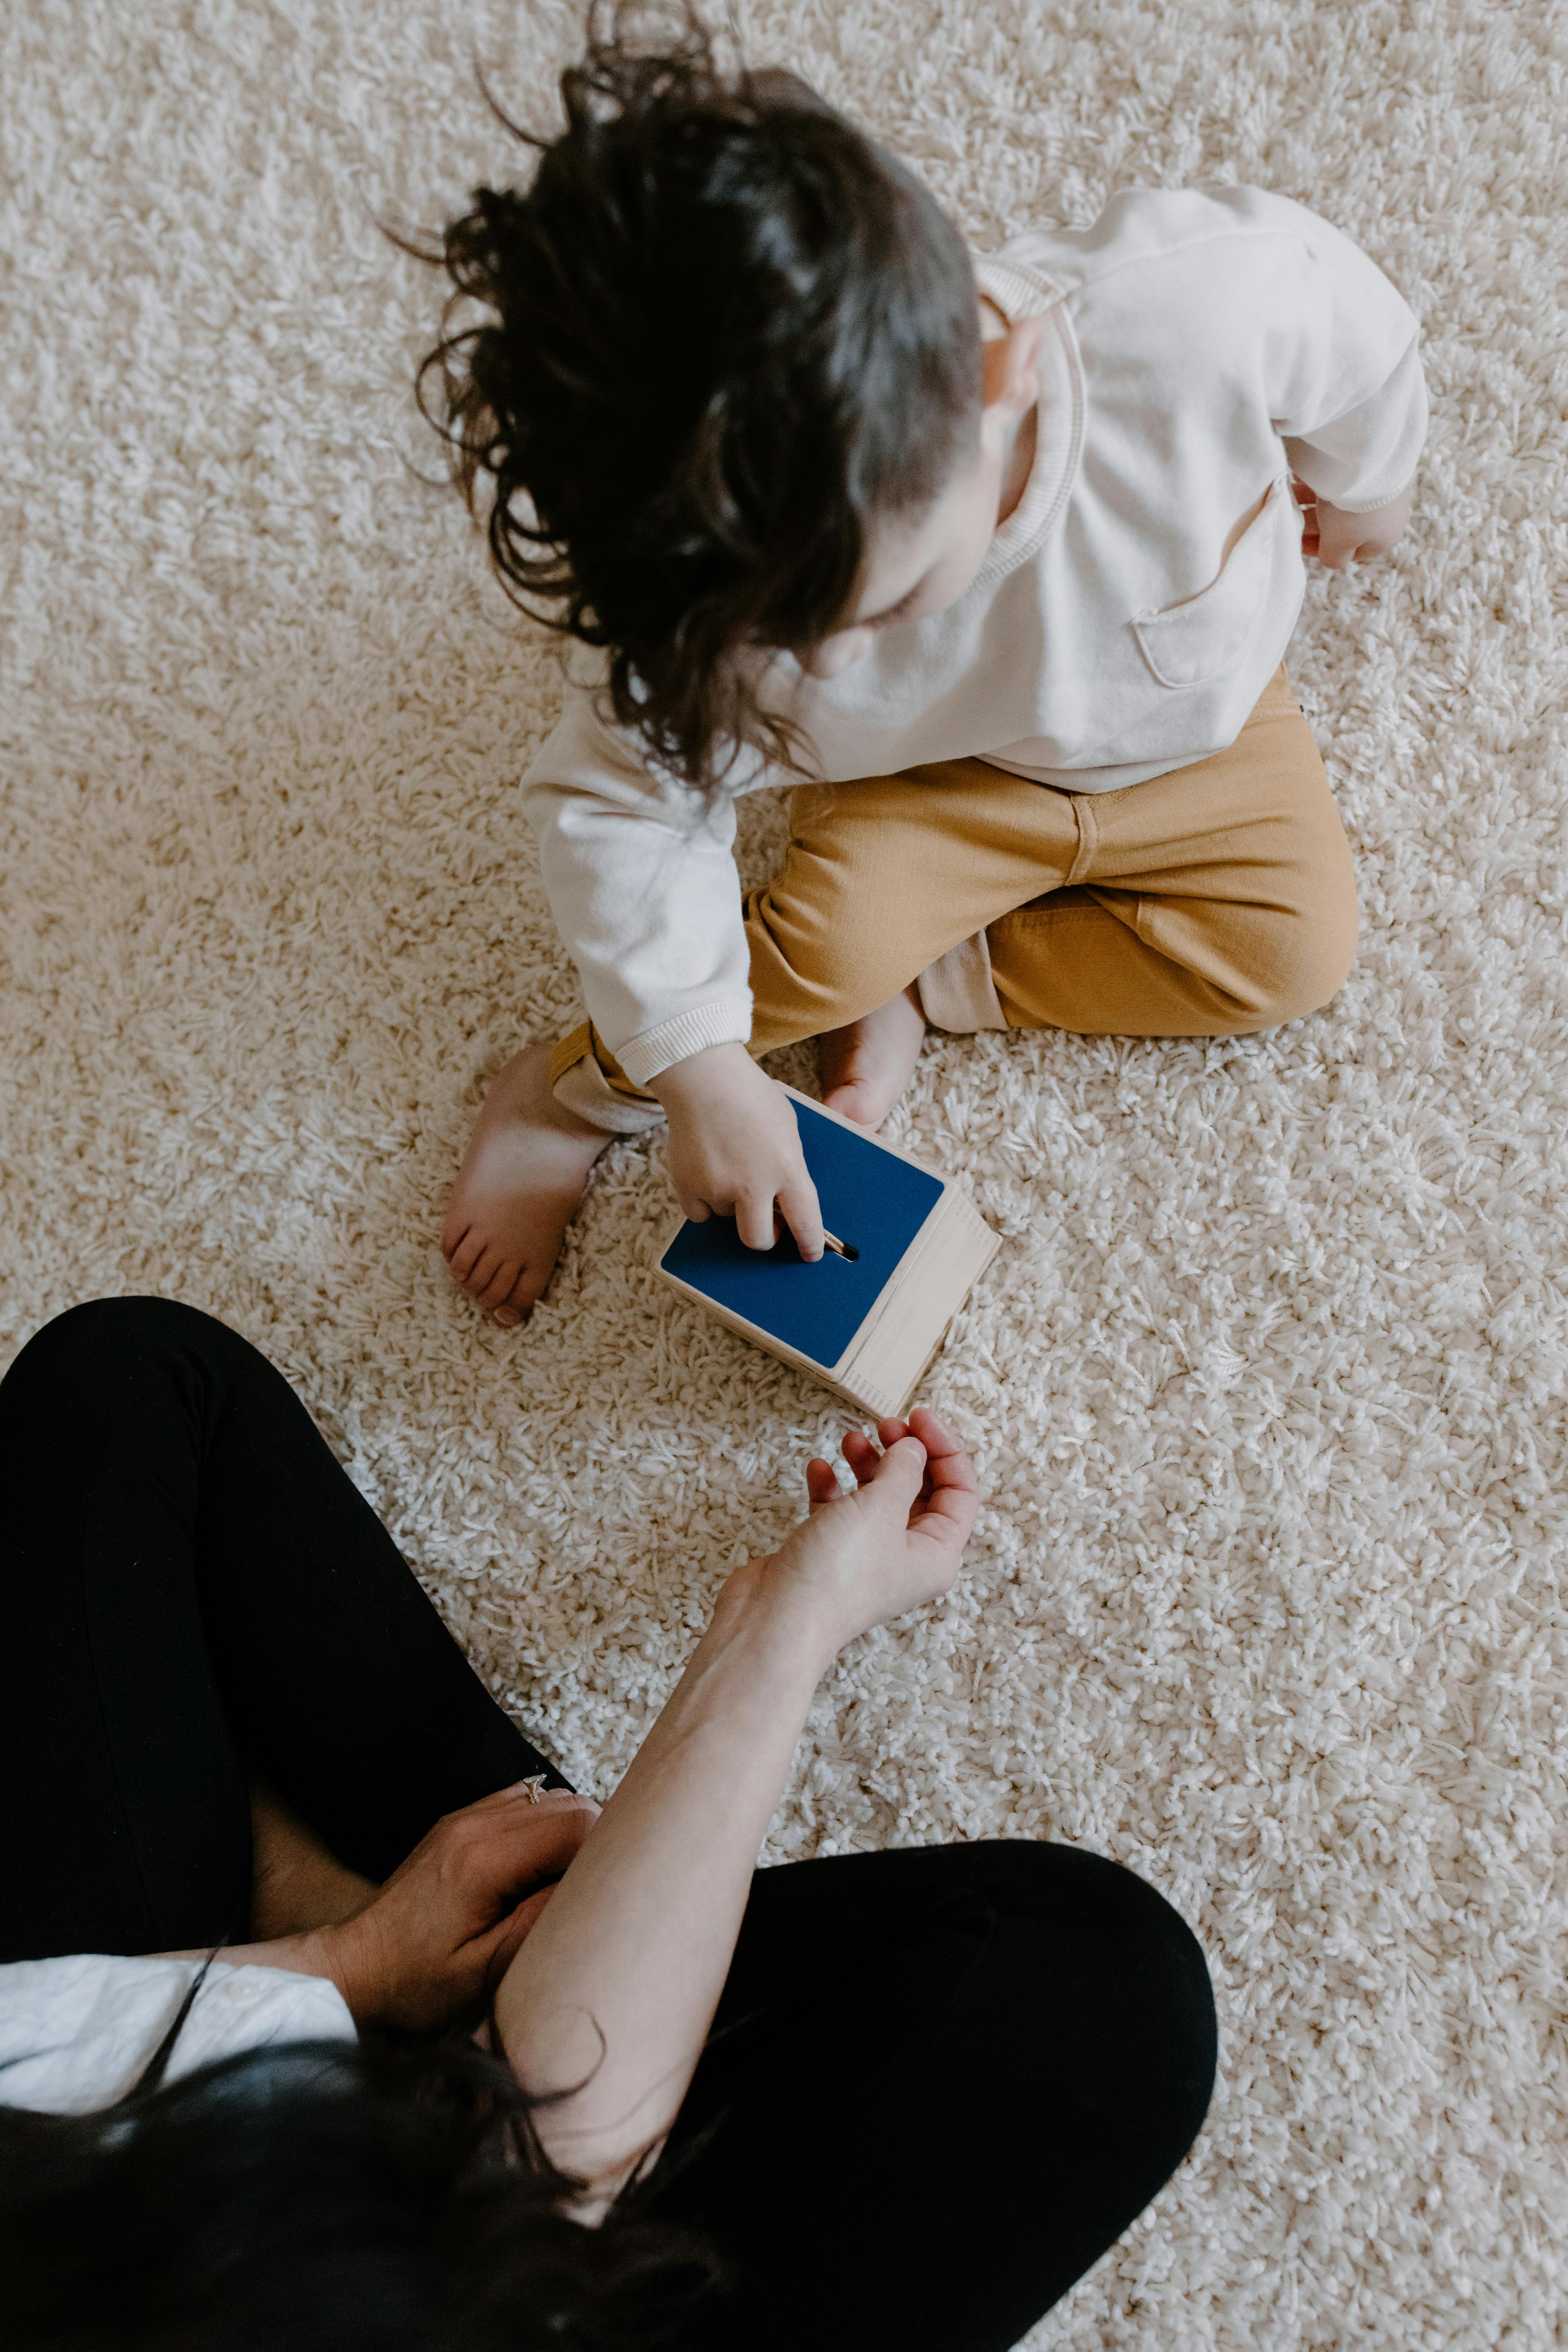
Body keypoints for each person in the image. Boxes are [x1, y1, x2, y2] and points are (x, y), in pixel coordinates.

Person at [413, 2, 1427, 1329]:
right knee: (794, 956)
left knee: (1298, 952)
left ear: (994, 380)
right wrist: (702, 1073)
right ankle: (571, 1088)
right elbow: (616, 808)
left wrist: (1369, 488)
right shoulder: (708, 620)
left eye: (867, 607)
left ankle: (944, 980)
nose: (821, 662)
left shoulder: (1189, 316)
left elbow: (1355, 332)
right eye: (782, 638)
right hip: (944, 781)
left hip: (1203, 723)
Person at [1, 1296, 1216, 2348]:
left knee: (131, 1380)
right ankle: (527, 1940)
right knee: (1097, 1986)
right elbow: (534, 2177)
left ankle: (492, 1932)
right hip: (504, 2290)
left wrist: (358, 1962)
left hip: (172, 2180)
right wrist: (778, 1625)